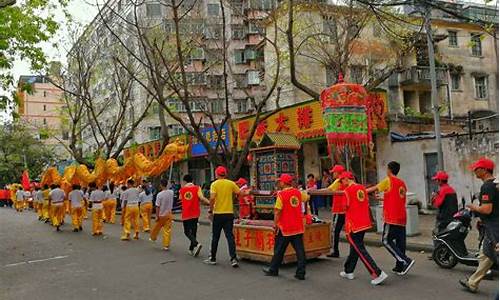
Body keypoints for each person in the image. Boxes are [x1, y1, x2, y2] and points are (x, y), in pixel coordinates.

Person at [339, 171, 388, 286]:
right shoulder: (362, 188)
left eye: (342, 180)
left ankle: (378, 273)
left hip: (353, 225)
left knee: (360, 250)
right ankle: (348, 270)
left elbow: (344, 207)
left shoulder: (347, 191)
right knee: (355, 248)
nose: (342, 183)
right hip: (364, 223)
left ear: (346, 179)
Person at [367, 161, 415, 275]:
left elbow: (374, 188)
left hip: (392, 217)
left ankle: (405, 261)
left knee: (386, 240)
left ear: (389, 170)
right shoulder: (402, 183)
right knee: (400, 242)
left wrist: (361, 191)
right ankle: (400, 267)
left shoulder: (388, 180)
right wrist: (381, 199)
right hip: (402, 217)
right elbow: (395, 198)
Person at [459, 157, 498, 293]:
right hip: (490, 227)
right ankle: (472, 283)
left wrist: (474, 207)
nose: (474, 171)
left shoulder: (487, 186)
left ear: (484, 170)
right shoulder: (495, 184)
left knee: (491, 254)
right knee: (485, 254)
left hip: (495, 229)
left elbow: (487, 209)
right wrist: (482, 219)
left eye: (476, 168)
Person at [263, 174, 308, 280]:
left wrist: (275, 225)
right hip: (297, 226)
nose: (279, 183)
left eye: (280, 181)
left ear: (283, 182)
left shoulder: (281, 195)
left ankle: (273, 269)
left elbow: (277, 211)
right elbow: (306, 198)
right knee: (300, 250)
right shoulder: (298, 192)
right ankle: (301, 272)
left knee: (279, 249)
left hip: (285, 227)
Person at [204, 166, 240, 267]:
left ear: (216, 174)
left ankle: (213, 258)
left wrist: (210, 210)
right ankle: (233, 258)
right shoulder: (231, 183)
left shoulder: (214, 184)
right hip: (229, 213)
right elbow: (239, 193)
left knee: (215, 237)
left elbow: (212, 199)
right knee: (230, 237)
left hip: (218, 214)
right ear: (225, 174)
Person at [179, 174, 209, 256]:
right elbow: (201, 198)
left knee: (187, 232)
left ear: (184, 181)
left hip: (186, 213)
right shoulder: (197, 188)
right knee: (193, 230)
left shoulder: (182, 190)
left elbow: (180, 198)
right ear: (192, 180)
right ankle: (191, 249)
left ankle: (196, 244)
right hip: (195, 212)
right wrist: (210, 203)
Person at [323, 164, 347, 258]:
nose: (332, 174)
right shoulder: (347, 180)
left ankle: (335, 251)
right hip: (346, 209)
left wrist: (313, 191)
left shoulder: (338, 181)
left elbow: (328, 189)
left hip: (339, 210)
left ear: (338, 173)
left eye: (334, 172)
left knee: (335, 231)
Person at [150, 179, 174, 251]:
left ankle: (153, 237)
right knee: (167, 230)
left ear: (161, 185)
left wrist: (157, 216)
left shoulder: (159, 195)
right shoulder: (171, 192)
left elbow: (157, 206)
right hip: (169, 213)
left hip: (161, 214)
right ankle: (166, 245)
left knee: (156, 227)